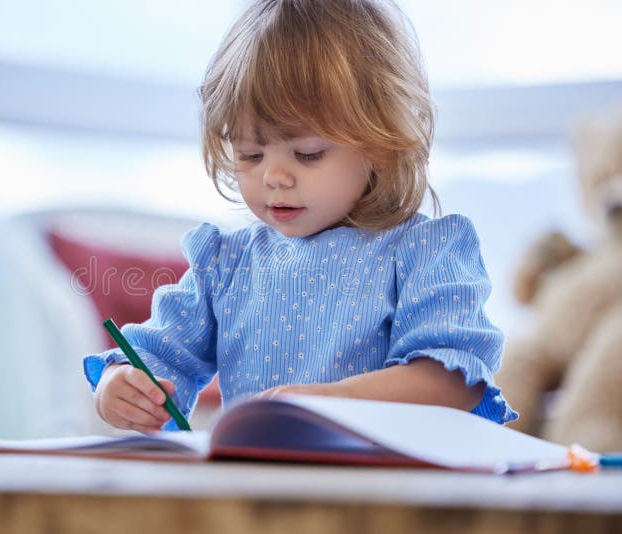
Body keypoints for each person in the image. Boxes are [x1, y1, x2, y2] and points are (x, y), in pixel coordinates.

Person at [85, 0, 518, 433]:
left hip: (389, 493)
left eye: (307, 154)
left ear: (382, 145)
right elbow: (158, 356)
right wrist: (121, 386)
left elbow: (455, 380)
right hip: (258, 493)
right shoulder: (224, 263)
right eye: (250, 154)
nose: (273, 176)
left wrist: (335, 400)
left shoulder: (424, 252)